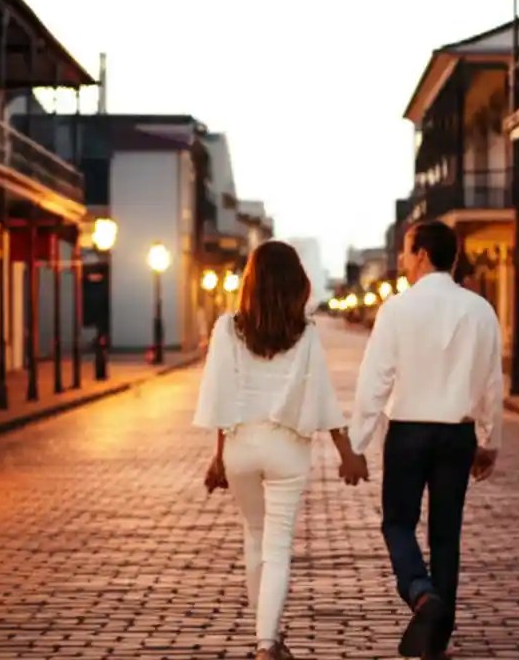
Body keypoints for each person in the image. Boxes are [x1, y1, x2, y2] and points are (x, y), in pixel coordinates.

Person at [194, 240, 369, 660]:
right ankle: (266, 642)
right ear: (297, 284)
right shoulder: (304, 332)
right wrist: (347, 452)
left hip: (241, 447)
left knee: (255, 538)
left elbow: (220, 397)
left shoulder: (226, 328)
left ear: (251, 282)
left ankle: (266, 637)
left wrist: (219, 456)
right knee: (277, 545)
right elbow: (322, 395)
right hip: (286, 448)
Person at [351, 220, 503, 659]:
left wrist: (357, 442)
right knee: (446, 534)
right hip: (457, 434)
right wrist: (489, 440)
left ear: (421, 255)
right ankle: (436, 640)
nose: (401, 259)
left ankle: (421, 593)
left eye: (405, 251)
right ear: (452, 258)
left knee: (398, 522)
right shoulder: (480, 311)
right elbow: (492, 383)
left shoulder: (397, 310)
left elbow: (375, 380)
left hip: (409, 432)